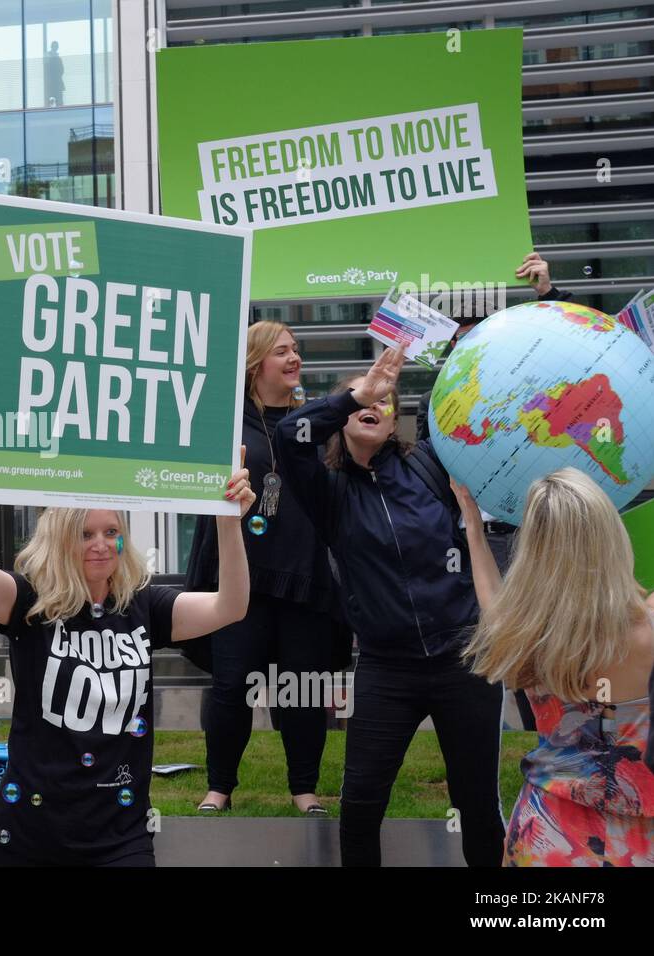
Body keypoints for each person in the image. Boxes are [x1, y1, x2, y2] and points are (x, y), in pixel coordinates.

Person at [0, 444, 255, 866]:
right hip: (30, 834)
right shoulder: (31, 603)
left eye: (111, 532)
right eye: (85, 534)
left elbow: (231, 606)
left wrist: (228, 524)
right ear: (61, 540)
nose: (101, 544)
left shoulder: (144, 606)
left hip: (121, 836)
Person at [274, 345, 506, 867]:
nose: (373, 403)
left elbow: (474, 412)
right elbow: (290, 436)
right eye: (362, 399)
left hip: (464, 659)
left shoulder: (427, 465)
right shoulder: (328, 490)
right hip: (386, 669)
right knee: (360, 805)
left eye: (384, 398)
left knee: (477, 806)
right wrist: (354, 393)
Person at [458, 468, 654, 865]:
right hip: (637, 841)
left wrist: (475, 533)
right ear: (612, 535)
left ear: (533, 548)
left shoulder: (526, 635)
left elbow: (492, 606)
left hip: (547, 836)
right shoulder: (648, 626)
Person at [184, 321, 339, 815]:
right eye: (282, 351)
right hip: (239, 578)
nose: (295, 358)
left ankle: (304, 791)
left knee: (302, 688)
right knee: (231, 686)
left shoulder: (315, 423)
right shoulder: (222, 424)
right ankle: (219, 789)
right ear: (255, 364)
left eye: (297, 350)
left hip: (303, 575)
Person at [416, 252, 572, 735]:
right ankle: (477, 746)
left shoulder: (530, 389)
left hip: (532, 537)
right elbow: (427, 472)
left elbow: (571, 352)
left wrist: (547, 295)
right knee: (479, 652)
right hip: (471, 543)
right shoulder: (435, 406)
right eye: (460, 345)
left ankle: (540, 734)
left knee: (540, 647)